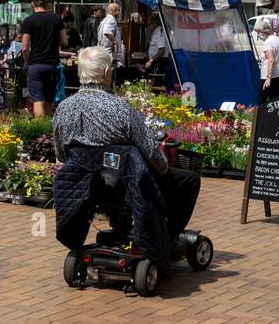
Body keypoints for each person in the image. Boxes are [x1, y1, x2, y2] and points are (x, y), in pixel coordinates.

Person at [53, 46, 200, 240]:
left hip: (83, 184)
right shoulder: (120, 108)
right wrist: (163, 167)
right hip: (123, 183)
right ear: (107, 72)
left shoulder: (63, 108)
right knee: (189, 180)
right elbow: (151, 150)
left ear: (81, 72)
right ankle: (166, 237)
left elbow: (62, 154)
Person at [20, 0, 65, 117]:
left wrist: (27, 61)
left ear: (32, 4)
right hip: (53, 65)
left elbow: (24, 48)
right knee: (48, 102)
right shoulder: (57, 19)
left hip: (36, 65)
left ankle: (41, 132)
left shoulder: (28, 21)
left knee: (38, 101)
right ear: (47, 3)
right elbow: (64, 41)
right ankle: (50, 131)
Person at [257, 16, 279, 101]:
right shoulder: (278, 39)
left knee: (261, 102)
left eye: (258, 32)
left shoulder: (268, 42)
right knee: (275, 102)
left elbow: (271, 60)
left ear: (263, 32)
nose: (259, 35)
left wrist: (268, 78)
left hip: (270, 76)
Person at [98, 1, 126, 83]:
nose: (119, 13)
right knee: (109, 78)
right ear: (113, 11)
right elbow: (107, 32)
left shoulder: (105, 20)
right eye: (118, 11)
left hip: (105, 52)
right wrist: (115, 42)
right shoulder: (111, 20)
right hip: (109, 54)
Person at [145, 19, 172, 88]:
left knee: (157, 83)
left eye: (149, 25)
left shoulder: (159, 32)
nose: (148, 27)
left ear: (154, 24)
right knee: (156, 82)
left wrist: (151, 61)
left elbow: (162, 50)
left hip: (160, 61)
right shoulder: (157, 32)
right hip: (160, 61)